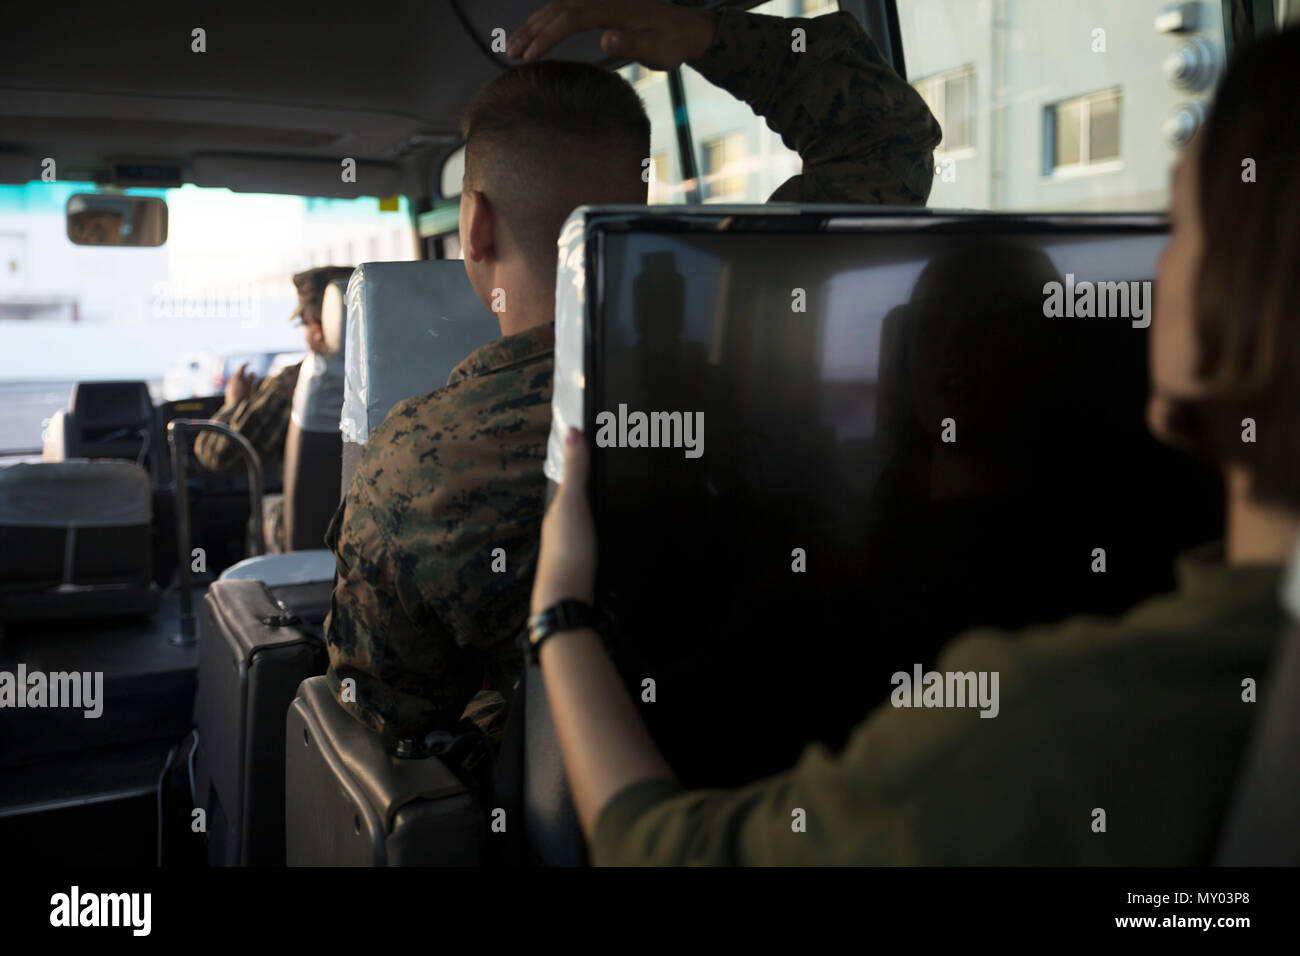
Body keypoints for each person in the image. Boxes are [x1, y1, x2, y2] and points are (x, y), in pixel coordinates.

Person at [528, 26, 1300, 864]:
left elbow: (667, 853)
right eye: (939, 330)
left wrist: (559, 609)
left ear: (1240, 303)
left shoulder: (1046, 710)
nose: (963, 355)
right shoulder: (835, 549)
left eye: (1178, 227)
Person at [323, 0, 941, 753]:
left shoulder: (409, 467)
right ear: (635, 208)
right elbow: (884, 136)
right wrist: (708, 35)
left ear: (476, 226)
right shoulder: (769, 359)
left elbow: (387, 720)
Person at [194, 265, 353, 551]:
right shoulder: (416, 372)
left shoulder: (295, 384)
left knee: (266, 512)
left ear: (318, 326)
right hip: (389, 536)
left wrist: (236, 405)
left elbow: (215, 452)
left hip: (317, 541)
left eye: (302, 324)